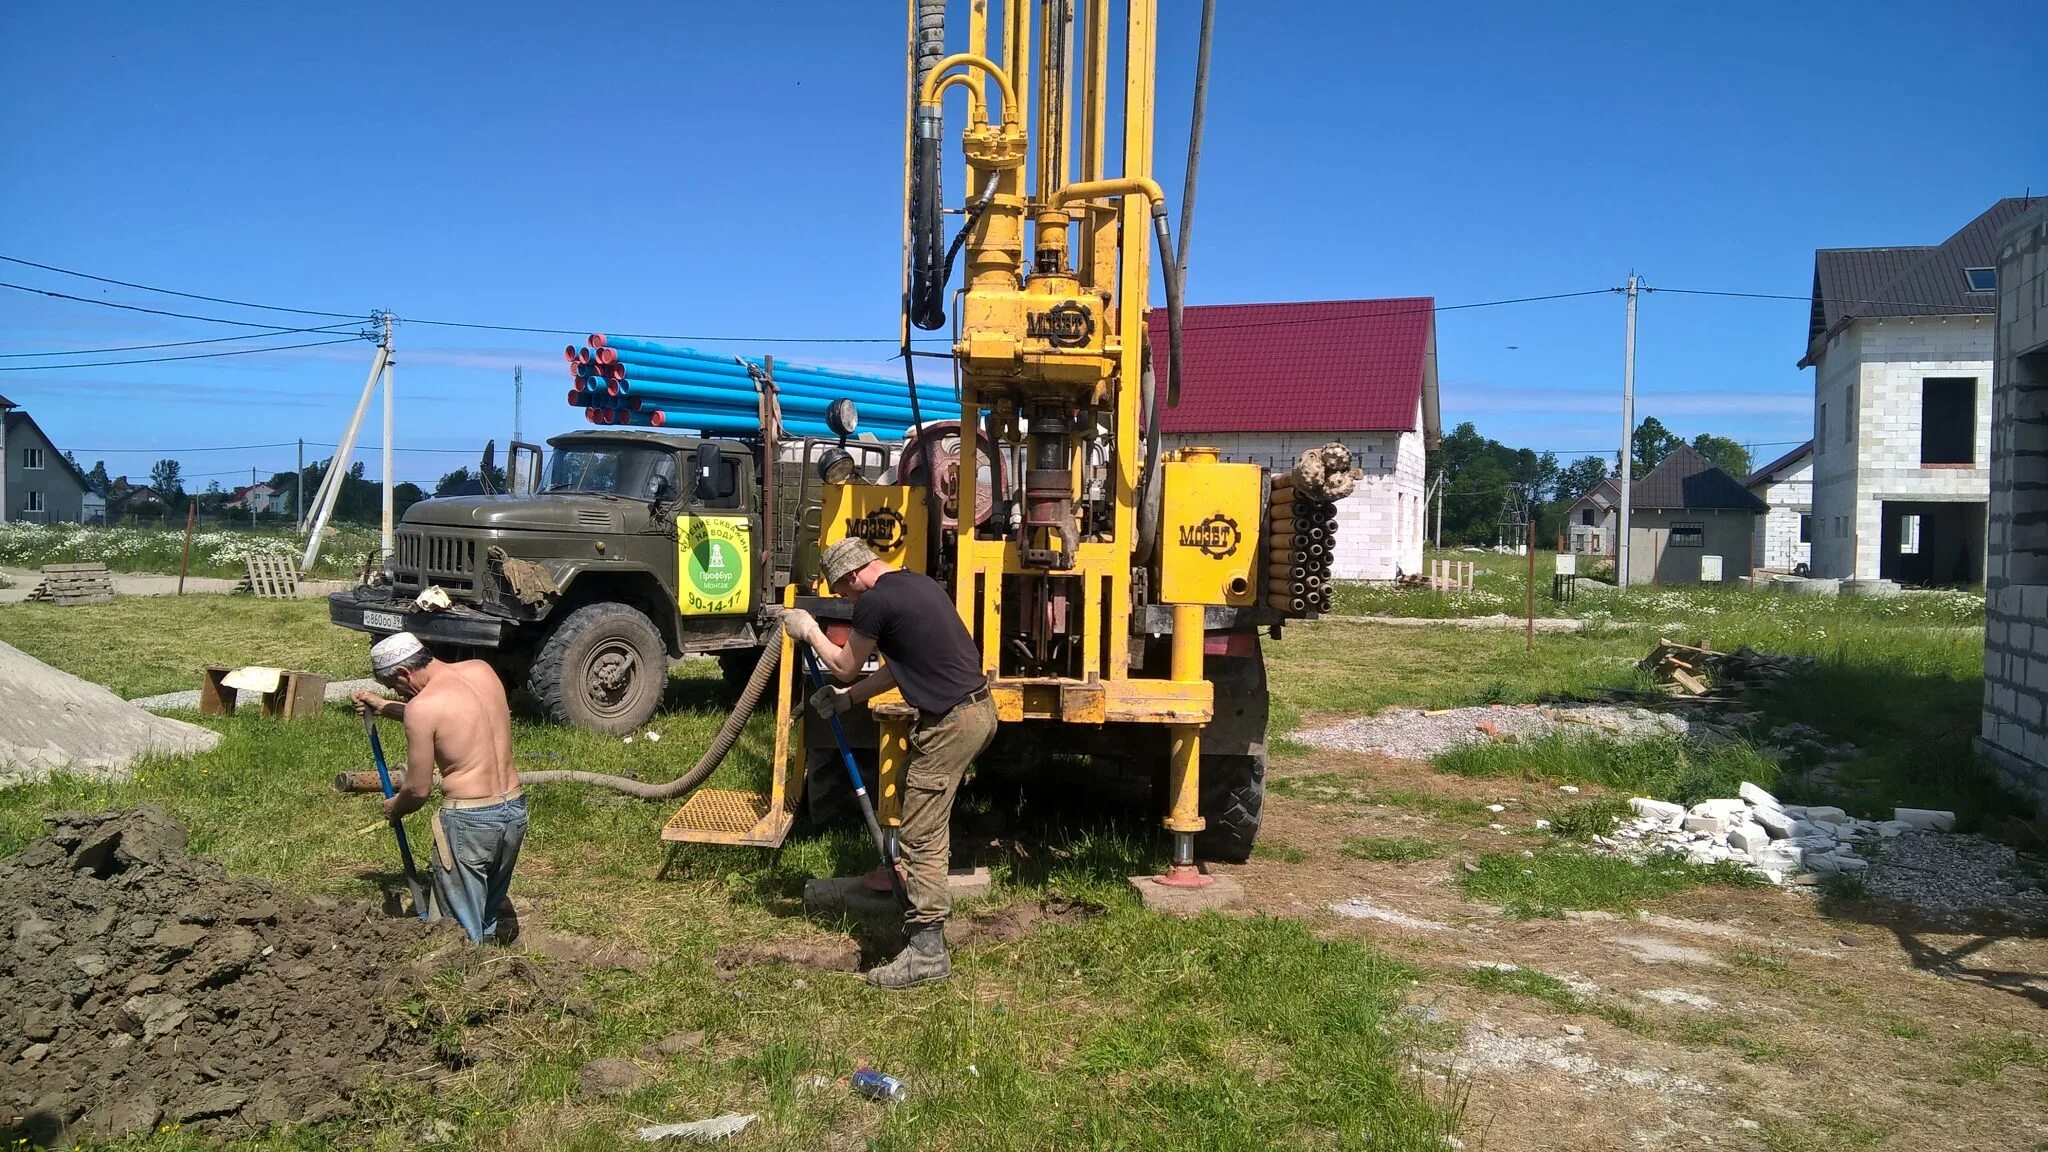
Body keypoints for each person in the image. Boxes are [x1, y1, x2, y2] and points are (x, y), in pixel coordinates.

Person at [782, 538, 996, 989]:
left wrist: (807, 628)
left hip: (953, 721)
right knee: (921, 808)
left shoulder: (874, 602)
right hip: (975, 712)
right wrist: (848, 701)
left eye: (842, 590)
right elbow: (900, 667)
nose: (843, 599)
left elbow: (842, 663)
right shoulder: (917, 585)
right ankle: (917, 905)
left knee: (920, 832)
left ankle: (927, 952)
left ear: (853, 574)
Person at [354, 632, 524, 945]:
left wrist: (396, 807)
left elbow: (418, 790)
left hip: (470, 821)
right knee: (487, 907)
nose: (402, 695)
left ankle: (461, 979)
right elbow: (454, 717)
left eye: (396, 687)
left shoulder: (423, 707)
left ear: (404, 673)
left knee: (456, 927)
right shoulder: (481, 671)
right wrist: (384, 706)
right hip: (513, 809)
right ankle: (488, 958)